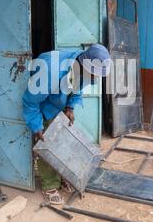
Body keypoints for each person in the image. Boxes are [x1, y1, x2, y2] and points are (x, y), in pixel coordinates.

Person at [23, 44, 111, 204]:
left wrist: (70, 106)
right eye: (93, 74)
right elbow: (30, 102)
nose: (95, 79)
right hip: (44, 101)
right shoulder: (50, 72)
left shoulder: (83, 66)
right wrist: (37, 126)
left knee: (62, 141)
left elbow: (79, 86)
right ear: (85, 64)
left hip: (59, 97)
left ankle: (62, 175)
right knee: (47, 141)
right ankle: (49, 184)